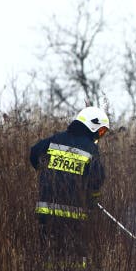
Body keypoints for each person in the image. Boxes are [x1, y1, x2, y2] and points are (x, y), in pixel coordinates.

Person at [29, 106, 109, 261]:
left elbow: (34, 152)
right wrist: (93, 198)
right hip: (74, 213)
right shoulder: (90, 148)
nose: (101, 135)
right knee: (75, 258)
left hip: (46, 211)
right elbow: (97, 178)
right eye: (101, 131)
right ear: (92, 125)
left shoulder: (56, 139)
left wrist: (43, 170)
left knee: (48, 255)